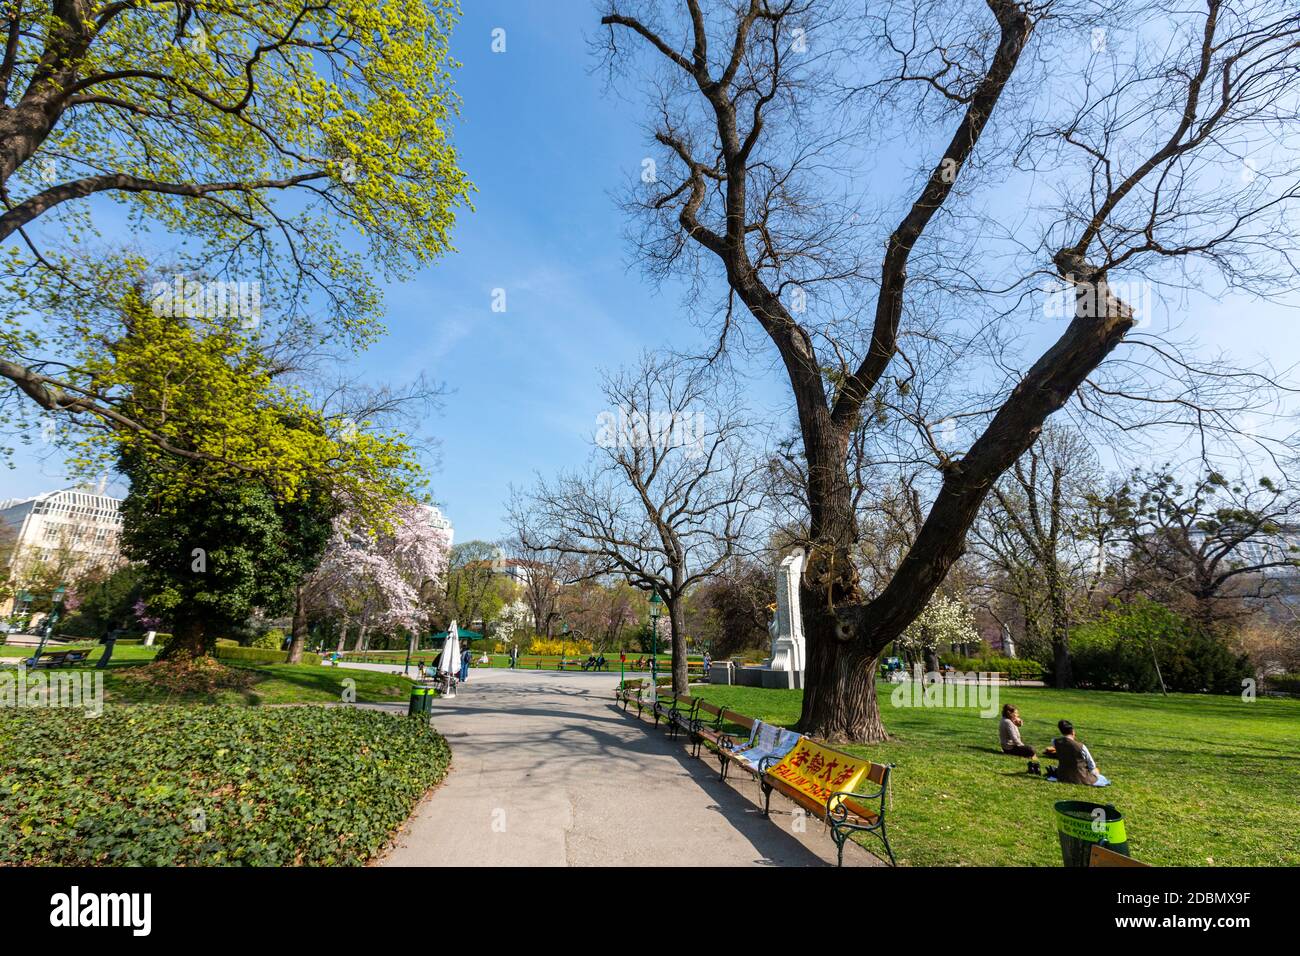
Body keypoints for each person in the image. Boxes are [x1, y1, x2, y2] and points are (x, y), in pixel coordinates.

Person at [1048, 719, 1109, 786]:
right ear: (1073, 732)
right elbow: (1092, 766)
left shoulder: (1055, 742)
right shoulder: (1081, 747)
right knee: (1103, 778)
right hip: (1081, 778)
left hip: (1062, 776)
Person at [998, 704, 1039, 773]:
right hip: (1010, 748)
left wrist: (1018, 723)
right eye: (1015, 713)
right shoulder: (1008, 722)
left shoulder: (1005, 719)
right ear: (1010, 713)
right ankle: (1031, 755)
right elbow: (1014, 738)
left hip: (1007, 747)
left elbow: (1016, 726)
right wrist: (1023, 746)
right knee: (1031, 749)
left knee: (1030, 748)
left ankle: (1030, 754)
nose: (1017, 715)